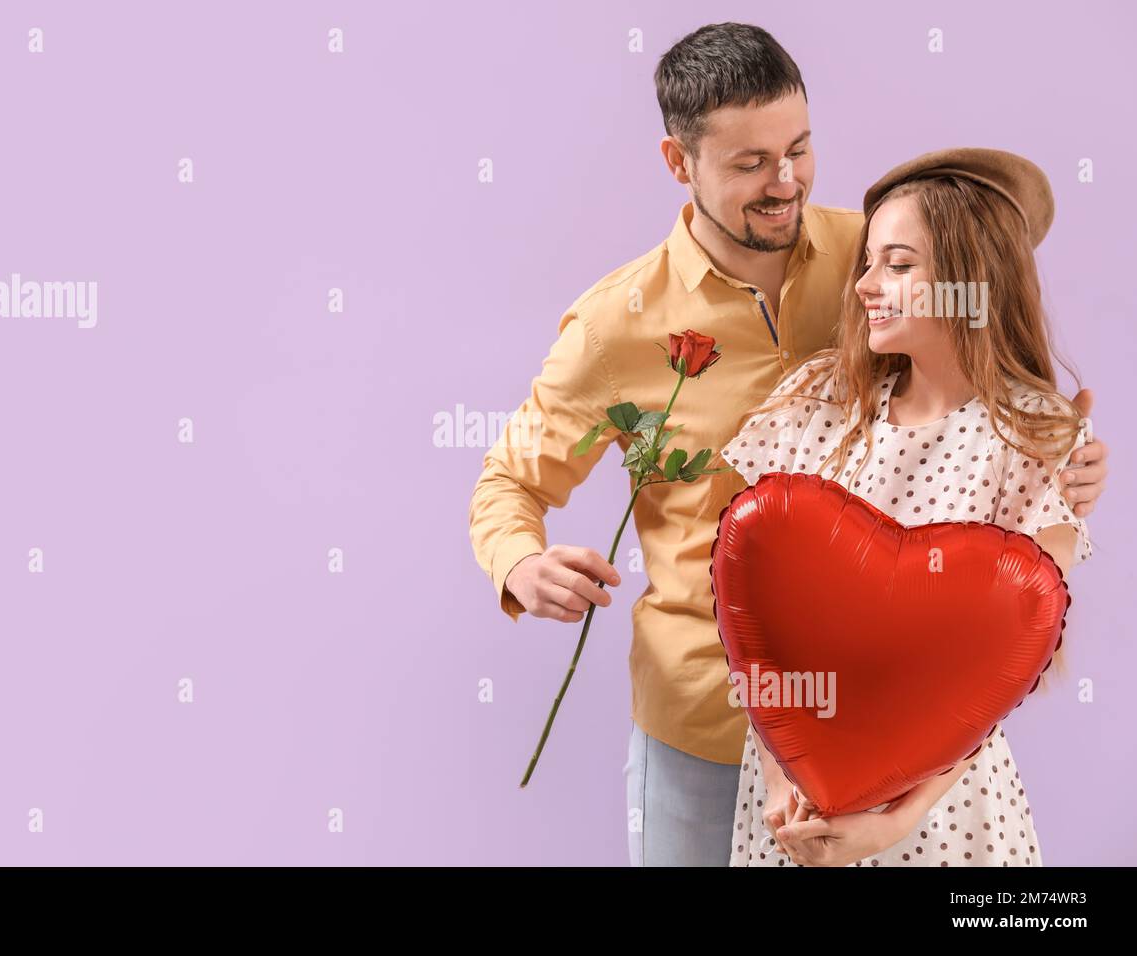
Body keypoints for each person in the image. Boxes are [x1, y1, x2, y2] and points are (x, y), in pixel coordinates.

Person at [466, 23, 1109, 867]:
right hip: (703, 723)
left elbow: (981, 340)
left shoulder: (870, 251)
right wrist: (521, 563)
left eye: (799, 150)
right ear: (678, 162)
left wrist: (1058, 460)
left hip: (896, 730)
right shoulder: (611, 329)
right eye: (748, 165)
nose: (786, 183)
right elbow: (509, 481)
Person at [720, 147, 1089, 867]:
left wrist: (892, 822)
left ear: (968, 279)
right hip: (789, 796)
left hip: (949, 817)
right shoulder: (816, 402)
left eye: (898, 264)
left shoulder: (1037, 437)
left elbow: (999, 672)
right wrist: (779, 777)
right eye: (868, 263)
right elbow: (749, 614)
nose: (864, 286)